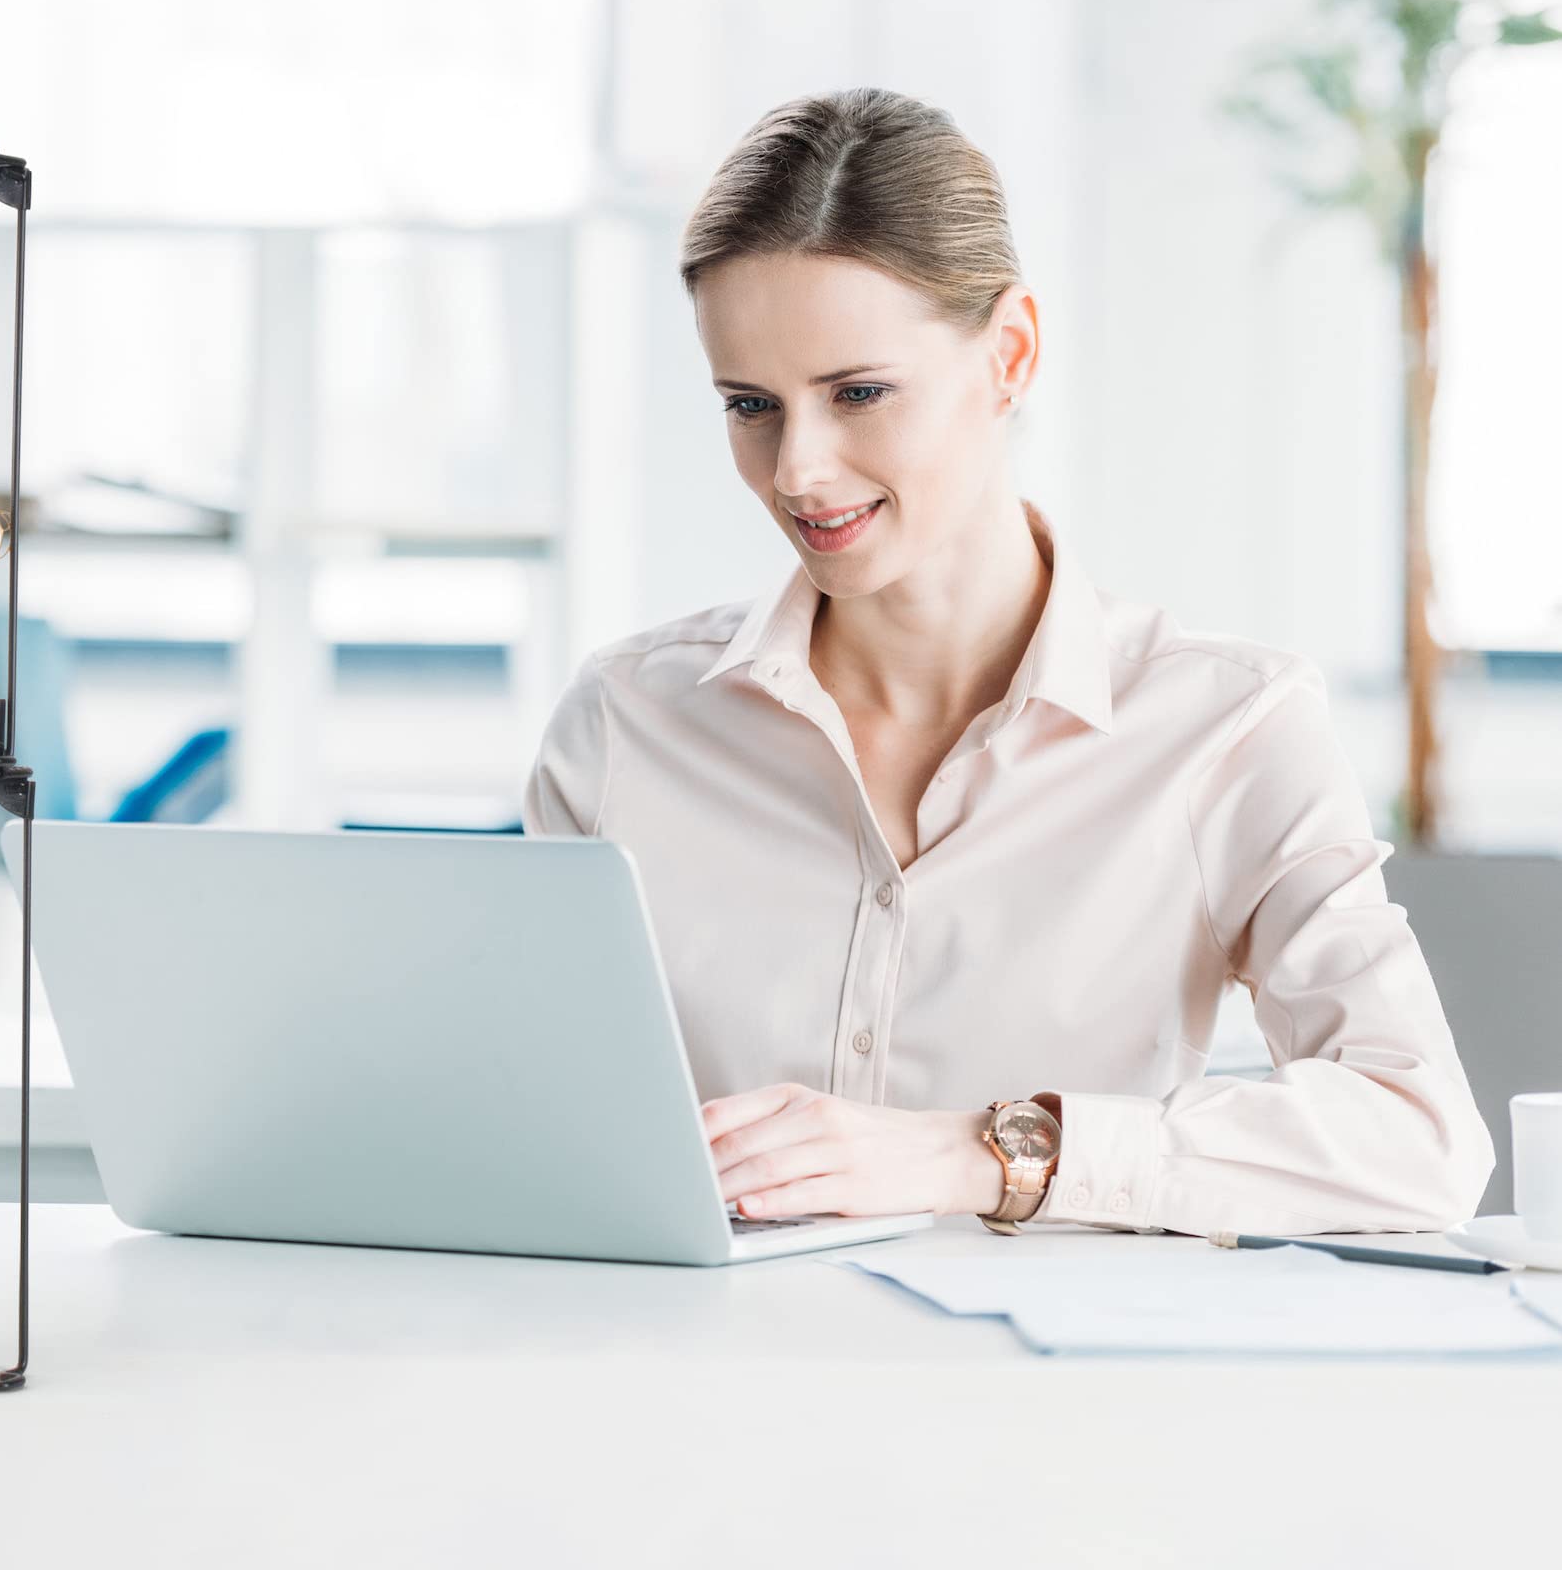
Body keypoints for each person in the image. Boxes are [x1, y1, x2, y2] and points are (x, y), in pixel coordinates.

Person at [522, 88, 1493, 1238]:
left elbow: (1417, 1135)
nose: (798, 470)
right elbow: (522, 1124)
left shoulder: (1224, 726)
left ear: (1010, 353)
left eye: (858, 392)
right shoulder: (628, 723)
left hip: (1055, 1407)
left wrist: (976, 1150)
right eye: (750, 405)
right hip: (691, 1392)